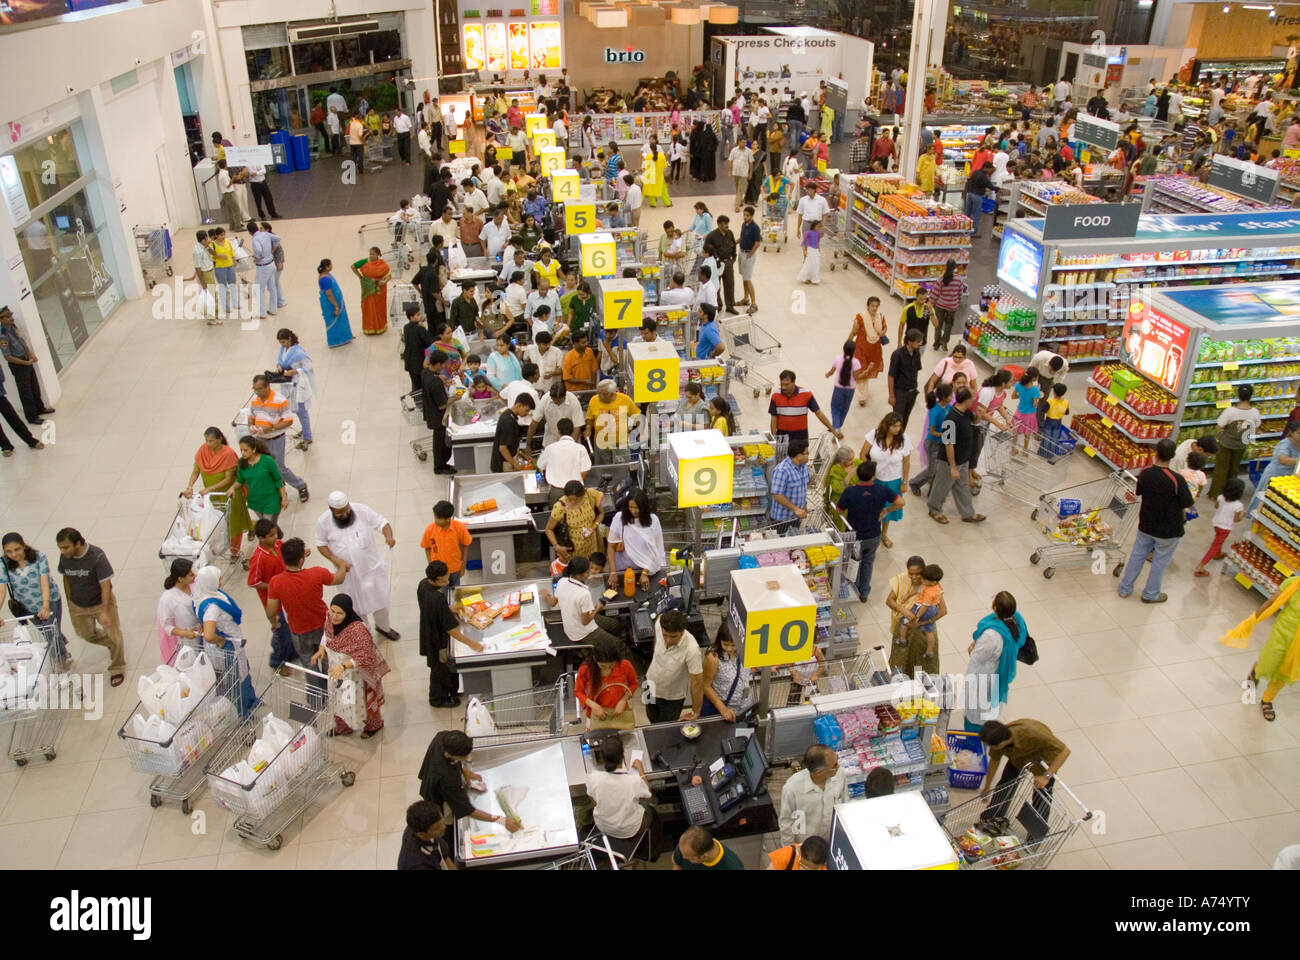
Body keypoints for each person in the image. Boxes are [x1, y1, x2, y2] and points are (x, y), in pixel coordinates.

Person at [1117, 438, 1194, 604]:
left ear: (1156, 453)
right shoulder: (1177, 479)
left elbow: (1138, 492)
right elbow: (1187, 502)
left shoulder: (1145, 473)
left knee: (1137, 555)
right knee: (1160, 562)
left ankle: (1124, 588)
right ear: (1173, 456)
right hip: (1169, 529)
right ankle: (1150, 594)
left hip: (1146, 524)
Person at [314, 492, 399, 641]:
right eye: (340, 514)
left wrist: (389, 536)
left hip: (371, 570)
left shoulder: (361, 511)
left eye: (346, 510)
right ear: (331, 509)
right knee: (355, 607)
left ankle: (383, 627)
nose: (345, 515)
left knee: (380, 601)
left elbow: (382, 523)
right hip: (348, 575)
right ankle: (365, 635)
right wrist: (337, 561)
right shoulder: (323, 521)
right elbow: (321, 544)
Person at [312, 593, 390, 738]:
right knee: (338, 700)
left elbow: (366, 655)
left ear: (347, 613)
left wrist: (344, 665)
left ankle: (374, 726)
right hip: (336, 672)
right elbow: (327, 635)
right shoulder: (329, 619)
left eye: (339, 613)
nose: (334, 616)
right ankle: (343, 727)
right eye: (332, 611)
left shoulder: (358, 630)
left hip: (355, 675)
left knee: (361, 701)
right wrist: (322, 649)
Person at [55, 529, 125, 686]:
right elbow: (66, 577)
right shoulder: (65, 556)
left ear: (78, 543)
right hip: (78, 603)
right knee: (85, 634)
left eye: (66, 547)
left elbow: (105, 585)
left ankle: (117, 667)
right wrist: (69, 600)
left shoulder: (97, 556)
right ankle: (114, 645)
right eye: (60, 547)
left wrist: (105, 611)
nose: (62, 551)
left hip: (100, 603)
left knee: (114, 635)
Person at [418, 730, 522, 832]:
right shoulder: (448, 779)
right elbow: (467, 810)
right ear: (448, 755)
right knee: (445, 824)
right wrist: (501, 820)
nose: (467, 758)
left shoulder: (441, 737)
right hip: (437, 796)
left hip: (430, 779)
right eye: (463, 757)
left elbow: (452, 760)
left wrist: (466, 773)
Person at [977, 719, 1070, 828]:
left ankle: (1035, 836)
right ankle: (992, 818)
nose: (991, 748)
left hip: (1043, 761)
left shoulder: (1034, 733)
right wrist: (987, 786)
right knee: (1004, 786)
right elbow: (994, 761)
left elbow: (1065, 751)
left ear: (1002, 742)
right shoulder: (997, 737)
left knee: (1041, 798)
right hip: (1017, 758)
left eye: (993, 746)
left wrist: (1047, 776)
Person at [835, 461, 904, 602]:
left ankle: (851, 588)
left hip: (855, 536)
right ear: (873, 476)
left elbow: (839, 510)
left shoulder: (850, 492)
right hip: (874, 535)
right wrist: (887, 510)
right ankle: (864, 592)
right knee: (868, 562)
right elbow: (901, 502)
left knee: (853, 562)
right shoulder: (881, 490)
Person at [183, 426, 250, 565]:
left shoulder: (228, 454)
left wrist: (210, 488)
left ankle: (235, 551)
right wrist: (190, 486)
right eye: (206, 440)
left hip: (228, 494)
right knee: (216, 523)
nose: (208, 444)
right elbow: (196, 471)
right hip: (212, 496)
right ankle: (252, 527)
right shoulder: (203, 450)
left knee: (234, 523)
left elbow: (228, 478)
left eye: (211, 441)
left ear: (220, 439)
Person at [1, 532, 69, 667]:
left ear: (24, 545)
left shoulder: (39, 557)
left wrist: (45, 606)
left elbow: (44, 582)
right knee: (48, 631)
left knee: (50, 635)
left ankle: (61, 664)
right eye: (8, 552)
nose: (13, 554)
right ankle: (62, 646)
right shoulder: (3, 563)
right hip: (26, 607)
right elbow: (1, 589)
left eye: (17, 549)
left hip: (50, 601)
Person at [962, 592, 1027, 733]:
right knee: (989, 710)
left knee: (977, 712)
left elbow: (976, 656)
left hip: (984, 678)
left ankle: (974, 739)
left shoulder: (992, 635)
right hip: (997, 675)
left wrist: (972, 646)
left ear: (994, 607)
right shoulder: (1017, 622)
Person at [927, 387, 985, 525]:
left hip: (964, 459)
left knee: (962, 486)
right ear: (966, 400)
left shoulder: (966, 412)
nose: (974, 401)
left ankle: (967, 513)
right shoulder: (951, 419)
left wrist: (979, 415)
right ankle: (934, 510)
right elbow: (948, 444)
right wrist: (953, 466)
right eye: (973, 398)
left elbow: (974, 421)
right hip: (948, 461)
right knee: (942, 486)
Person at [249, 374, 308, 503]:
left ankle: (300, 485)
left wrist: (271, 428)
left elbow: (288, 421)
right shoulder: (255, 399)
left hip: (276, 439)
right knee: (264, 467)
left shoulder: (280, 400)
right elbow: (251, 416)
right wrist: (251, 426)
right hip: (260, 439)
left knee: (279, 467)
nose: (256, 392)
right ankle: (280, 490)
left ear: (267, 387)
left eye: (259, 389)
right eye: (254, 389)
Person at [585, 734, 652, 847]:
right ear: (623, 756)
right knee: (650, 808)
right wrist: (640, 769)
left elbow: (593, 801)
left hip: (603, 826)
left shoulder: (593, 778)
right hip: (631, 828)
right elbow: (647, 793)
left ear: (602, 758)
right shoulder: (633, 781)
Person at [860, 412, 912, 549]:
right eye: (894, 426)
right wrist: (869, 471)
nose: (897, 429)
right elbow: (863, 454)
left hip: (893, 481)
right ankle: (869, 532)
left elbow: (906, 461)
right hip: (875, 480)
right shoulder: (874, 434)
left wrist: (905, 482)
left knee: (886, 510)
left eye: (899, 426)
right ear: (887, 425)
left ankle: (884, 534)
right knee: (871, 508)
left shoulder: (904, 439)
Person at [778, 744, 847, 846]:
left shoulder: (840, 775)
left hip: (832, 842)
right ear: (819, 772)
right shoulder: (792, 789)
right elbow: (786, 823)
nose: (838, 767)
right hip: (806, 848)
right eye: (834, 766)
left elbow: (845, 803)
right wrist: (791, 851)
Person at [645, 608, 703, 723]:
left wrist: (695, 712)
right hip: (650, 684)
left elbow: (697, 684)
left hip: (672, 698)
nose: (667, 640)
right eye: (665, 635)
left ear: (682, 631)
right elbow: (659, 622)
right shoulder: (659, 623)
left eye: (673, 637)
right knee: (651, 718)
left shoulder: (692, 649)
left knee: (665, 727)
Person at [0, 307, 54, 423]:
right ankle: (32, 416)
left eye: (11, 315)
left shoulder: (13, 327)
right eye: (8, 317)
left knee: (34, 387)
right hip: (19, 365)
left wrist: (30, 354)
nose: (11, 318)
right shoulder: (3, 335)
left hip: (26, 360)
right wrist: (25, 362)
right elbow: (8, 357)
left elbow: (22, 341)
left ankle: (40, 408)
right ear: (2, 319)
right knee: (26, 392)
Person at [1210, 384, 1262, 498]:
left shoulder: (1231, 411)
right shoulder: (1254, 412)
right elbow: (1256, 429)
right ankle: (1230, 494)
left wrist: (1224, 430)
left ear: (1238, 395)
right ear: (1251, 396)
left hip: (1226, 443)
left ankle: (1216, 494)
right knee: (1234, 470)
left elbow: (1219, 426)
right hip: (1241, 444)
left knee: (1221, 469)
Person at [606, 488, 666, 587]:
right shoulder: (619, 518)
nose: (633, 511)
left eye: (637, 508)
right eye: (630, 507)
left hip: (645, 570)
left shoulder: (653, 521)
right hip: (622, 570)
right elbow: (611, 547)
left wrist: (645, 572)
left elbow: (656, 549)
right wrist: (613, 572)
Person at [575, 636, 638, 730]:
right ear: (596, 660)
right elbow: (578, 691)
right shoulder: (586, 669)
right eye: (603, 666)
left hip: (619, 712)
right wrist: (593, 705)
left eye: (611, 666)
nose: (608, 669)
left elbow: (633, 683)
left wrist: (623, 700)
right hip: (597, 715)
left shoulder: (624, 665)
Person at [701, 623, 755, 721]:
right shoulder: (713, 657)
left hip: (744, 706)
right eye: (725, 644)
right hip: (723, 708)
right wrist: (723, 709)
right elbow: (706, 686)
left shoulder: (745, 650)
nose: (729, 649)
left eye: (733, 645)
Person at [769, 370, 841, 443]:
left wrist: (832, 429)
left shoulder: (806, 394)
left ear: (793, 382)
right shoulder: (775, 395)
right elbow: (773, 418)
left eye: (786, 384)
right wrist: (774, 439)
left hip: (801, 438)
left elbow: (818, 413)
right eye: (782, 384)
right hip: (782, 438)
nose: (783, 387)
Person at [1195, 478, 1246, 578]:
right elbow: (1236, 520)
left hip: (1216, 523)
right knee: (1215, 545)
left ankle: (1217, 554)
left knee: (1218, 540)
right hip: (1225, 527)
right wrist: (1242, 515)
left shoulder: (1221, 497)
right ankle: (1201, 565)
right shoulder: (1238, 505)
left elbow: (1216, 507)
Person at [910, 382, 954, 497]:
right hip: (933, 443)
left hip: (941, 443)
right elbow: (932, 431)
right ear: (944, 397)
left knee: (938, 469)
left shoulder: (948, 407)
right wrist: (945, 434)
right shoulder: (935, 411)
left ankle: (933, 490)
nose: (952, 396)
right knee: (931, 470)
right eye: (950, 395)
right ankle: (914, 483)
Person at [153, 558, 200, 664]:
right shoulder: (168, 599)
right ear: (180, 579)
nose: (195, 576)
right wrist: (185, 633)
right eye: (191, 575)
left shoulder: (194, 585)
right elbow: (167, 626)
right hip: (187, 640)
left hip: (201, 632)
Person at [1248, 421, 1300, 516]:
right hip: (1274, 476)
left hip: (1288, 479)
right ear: (1291, 433)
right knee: (1265, 499)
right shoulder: (1285, 444)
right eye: (1299, 433)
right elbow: (1283, 460)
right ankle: (1256, 519)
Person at [586, 380, 638, 465]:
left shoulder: (625, 400)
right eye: (598, 392)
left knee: (622, 470)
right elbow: (590, 417)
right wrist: (588, 428)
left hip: (621, 443)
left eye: (600, 393)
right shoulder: (594, 400)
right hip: (601, 443)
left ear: (610, 394)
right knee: (603, 470)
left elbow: (636, 415)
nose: (598, 395)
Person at [849, 297, 888, 408]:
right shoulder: (860, 318)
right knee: (862, 369)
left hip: (874, 349)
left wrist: (883, 332)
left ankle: (862, 392)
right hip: (861, 348)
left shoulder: (880, 316)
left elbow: (885, 327)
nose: (875, 308)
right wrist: (848, 344)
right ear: (867, 306)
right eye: (872, 306)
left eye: (876, 306)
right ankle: (862, 396)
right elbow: (853, 332)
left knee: (868, 370)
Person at [769, 438, 812, 532]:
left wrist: (804, 505)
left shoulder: (803, 466)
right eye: (807, 453)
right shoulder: (782, 470)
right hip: (782, 520)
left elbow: (803, 486)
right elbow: (777, 495)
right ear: (799, 456)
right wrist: (796, 509)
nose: (808, 455)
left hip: (796, 517)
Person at [537, 419, 590, 491]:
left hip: (556, 490)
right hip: (575, 491)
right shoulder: (581, 449)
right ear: (573, 431)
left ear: (559, 431)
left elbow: (540, 466)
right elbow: (584, 471)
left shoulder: (550, 448)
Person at [398, 800, 452, 870]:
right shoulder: (419, 865)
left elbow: (445, 857)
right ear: (421, 834)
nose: (444, 827)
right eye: (437, 828)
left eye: (442, 821)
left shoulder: (419, 826)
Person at [888, 329, 925, 428]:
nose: (920, 344)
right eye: (918, 341)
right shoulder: (897, 355)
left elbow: (916, 370)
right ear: (909, 341)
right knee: (897, 420)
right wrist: (891, 395)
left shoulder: (916, 353)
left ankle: (900, 439)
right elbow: (891, 376)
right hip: (900, 392)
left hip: (912, 392)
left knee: (905, 419)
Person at [350, 247, 391, 336]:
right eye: (370, 254)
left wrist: (385, 281)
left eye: (373, 254)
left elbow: (389, 275)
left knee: (380, 308)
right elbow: (353, 266)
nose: (371, 256)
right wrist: (360, 277)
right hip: (368, 289)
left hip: (380, 290)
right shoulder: (364, 262)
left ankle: (381, 327)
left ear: (378, 255)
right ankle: (369, 328)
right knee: (368, 308)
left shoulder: (383, 264)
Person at [491, 392, 535, 472]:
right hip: (503, 464)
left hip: (506, 460)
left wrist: (523, 455)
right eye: (526, 410)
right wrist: (515, 464)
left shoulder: (509, 415)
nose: (527, 413)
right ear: (518, 405)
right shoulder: (509, 421)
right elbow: (503, 448)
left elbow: (511, 445)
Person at [317, 259, 354, 348]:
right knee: (334, 320)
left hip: (336, 299)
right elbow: (329, 294)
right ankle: (336, 340)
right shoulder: (325, 279)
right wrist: (336, 306)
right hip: (331, 303)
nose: (332, 266)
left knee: (342, 319)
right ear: (327, 267)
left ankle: (345, 337)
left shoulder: (326, 274)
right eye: (331, 265)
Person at [929, 262, 965, 352]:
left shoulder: (941, 279)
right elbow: (960, 292)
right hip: (952, 306)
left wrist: (931, 302)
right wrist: (957, 301)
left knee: (938, 325)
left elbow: (935, 292)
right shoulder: (959, 279)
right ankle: (944, 342)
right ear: (954, 268)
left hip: (940, 305)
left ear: (946, 267)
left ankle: (936, 343)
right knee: (949, 325)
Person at [673, 826, 744, 870]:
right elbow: (678, 865)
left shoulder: (731, 866)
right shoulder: (684, 847)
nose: (683, 857)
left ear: (704, 856)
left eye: (689, 858)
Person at [1028, 350, 1067, 427]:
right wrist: (1035, 384)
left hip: (1048, 380)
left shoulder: (1064, 364)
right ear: (1048, 364)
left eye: (1055, 371)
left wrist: (1057, 386)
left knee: (1042, 402)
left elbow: (1062, 375)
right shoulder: (1040, 357)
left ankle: (1039, 424)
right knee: (1029, 398)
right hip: (1035, 374)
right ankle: (1027, 419)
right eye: (1051, 369)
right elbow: (1031, 368)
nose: (1052, 372)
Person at [1011, 369, 1042, 457]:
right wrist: (1038, 397)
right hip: (1029, 414)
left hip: (1019, 412)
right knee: (1027, 433)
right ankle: (1025, 451)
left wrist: (1021, 395)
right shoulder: (1035, 390)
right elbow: (1035, 404)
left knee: (1015, 431)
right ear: (1035, 378)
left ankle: (1013, 449)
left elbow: (1013, 396)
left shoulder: (1018, 385)